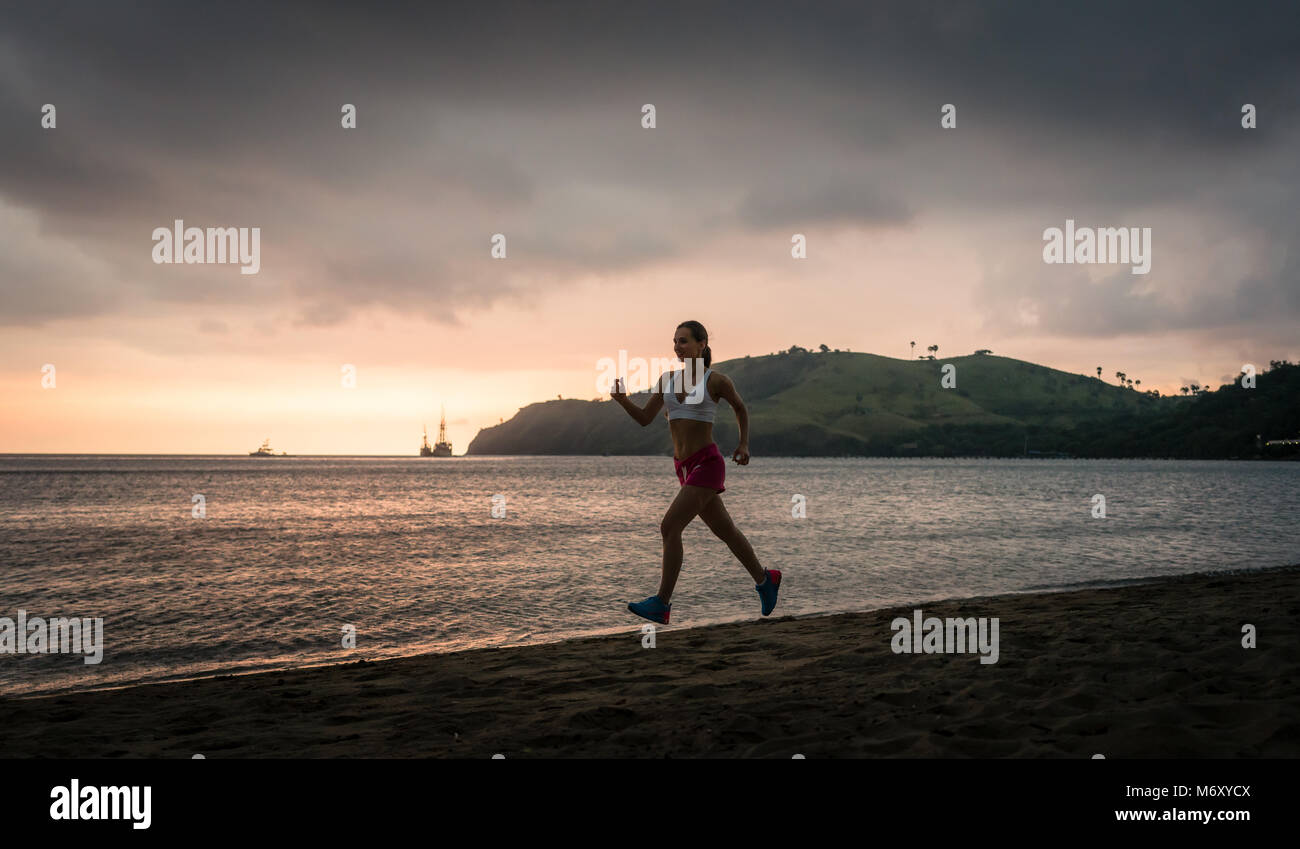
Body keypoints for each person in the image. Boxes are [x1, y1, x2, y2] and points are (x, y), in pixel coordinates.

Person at [610, 320, 781, 624]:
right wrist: (623, 401)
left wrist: (744, 444)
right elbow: (645, 419)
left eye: (684, 341)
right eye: (675, 342)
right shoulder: (667, 380)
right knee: (724, 530)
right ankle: (765, 579)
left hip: (708, 463)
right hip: (683, 468)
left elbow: (740, 408)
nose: (678, 347)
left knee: (669, 526)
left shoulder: (716, 381)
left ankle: (662, 603)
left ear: (701, 345)